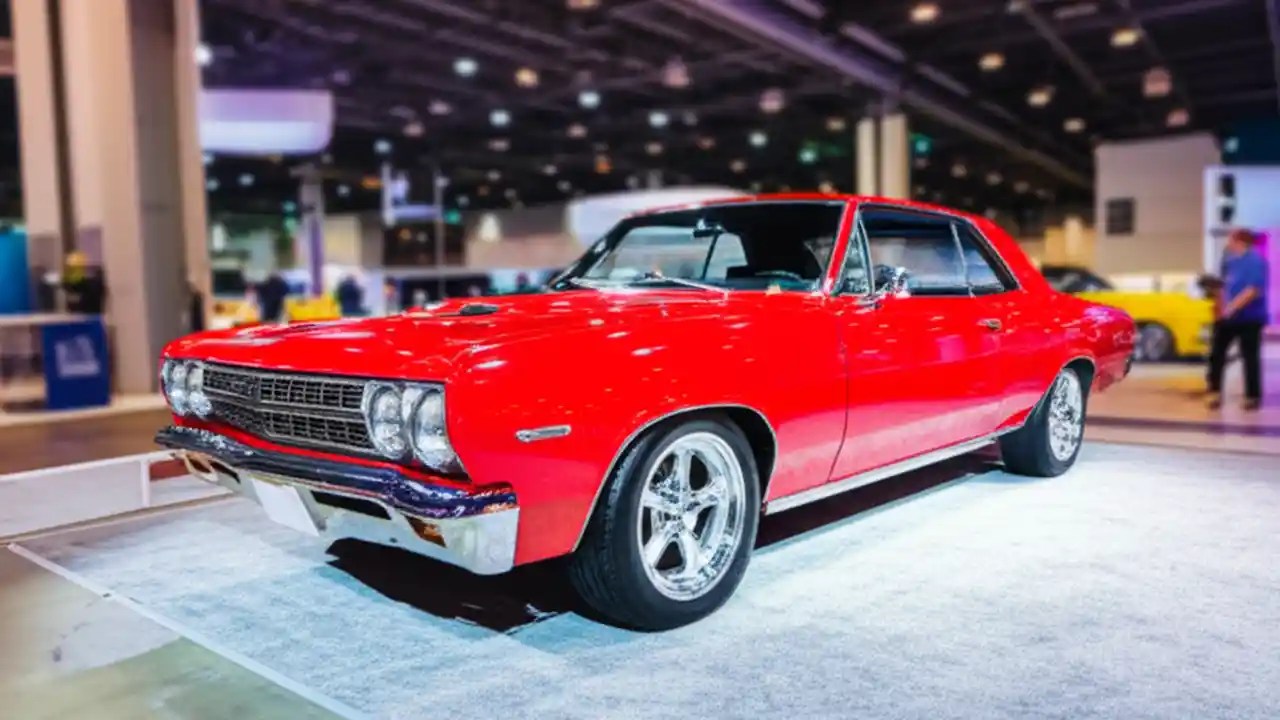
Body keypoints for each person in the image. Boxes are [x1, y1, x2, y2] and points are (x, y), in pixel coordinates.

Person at [1207, 229, 1269, 411]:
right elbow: (1223, 284)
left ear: (1240, 241)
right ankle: (1214, 392)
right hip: (1227, 316)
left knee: (1250, 356)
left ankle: (1252, 396)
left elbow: (1253, 289)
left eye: (1231, 239)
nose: (1228, 242)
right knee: (1216, 354)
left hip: (1250, 317)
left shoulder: (1255, 260)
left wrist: (1232, 307)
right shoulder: (1229, 259)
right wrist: (1219, 306)